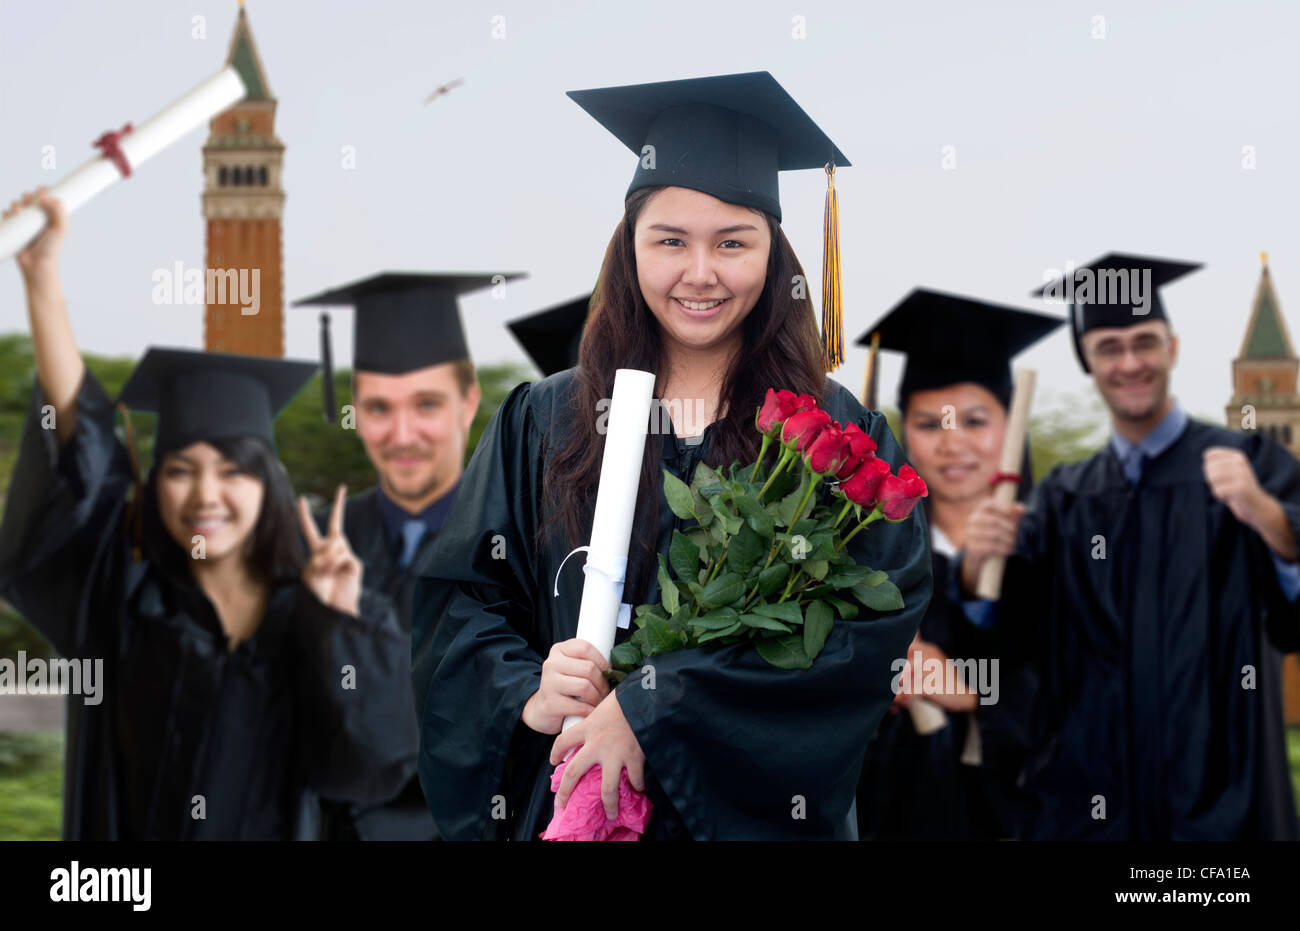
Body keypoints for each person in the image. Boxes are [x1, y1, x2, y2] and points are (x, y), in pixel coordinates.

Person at [411, 71, 932, 841]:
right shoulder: (543, 420)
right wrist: (526, 687)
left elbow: (858, 641)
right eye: (670, 241)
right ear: (630, 250)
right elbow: (460, 603)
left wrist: (653, 710)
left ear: (774, 256)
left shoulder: (835, 438)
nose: (699, 273)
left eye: (733, 242)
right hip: (573, 810)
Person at [0, 189, 414, 840]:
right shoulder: (123, 605)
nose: (205, 494)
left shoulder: (323, 618)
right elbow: (80, 460)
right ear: (155, 484)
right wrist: (43, 277)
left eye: (231, 470)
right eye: (179, 469)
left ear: (268, 483)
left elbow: (365, 773)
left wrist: (338, 624)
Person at [958, 253, 1300, 840]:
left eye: (1145, 342)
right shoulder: (1064, 499)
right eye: (1109, 348)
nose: (1131, 362)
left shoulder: (1252, 466)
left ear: (1173, 346)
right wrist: (973, 571)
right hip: (1092, 807)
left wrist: (1269, 517)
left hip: (1222, 809)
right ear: (1088, 363)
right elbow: (1012, 645)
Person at [291, 272, 519, 840]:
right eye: (378, 408)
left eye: (426, 404)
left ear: (468, 402)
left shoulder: (521, 542)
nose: (402, 432)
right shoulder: (308, 547)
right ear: (355, 411)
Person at [851, 288, 1059, 839]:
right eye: (929, 423)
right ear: (905, 434)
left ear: (1009, 425)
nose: (951, 444)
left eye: (974, 420)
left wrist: (975, 690)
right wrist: (873, 679)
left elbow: (1091, 696)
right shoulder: (869, 552)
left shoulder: (1060, 551)